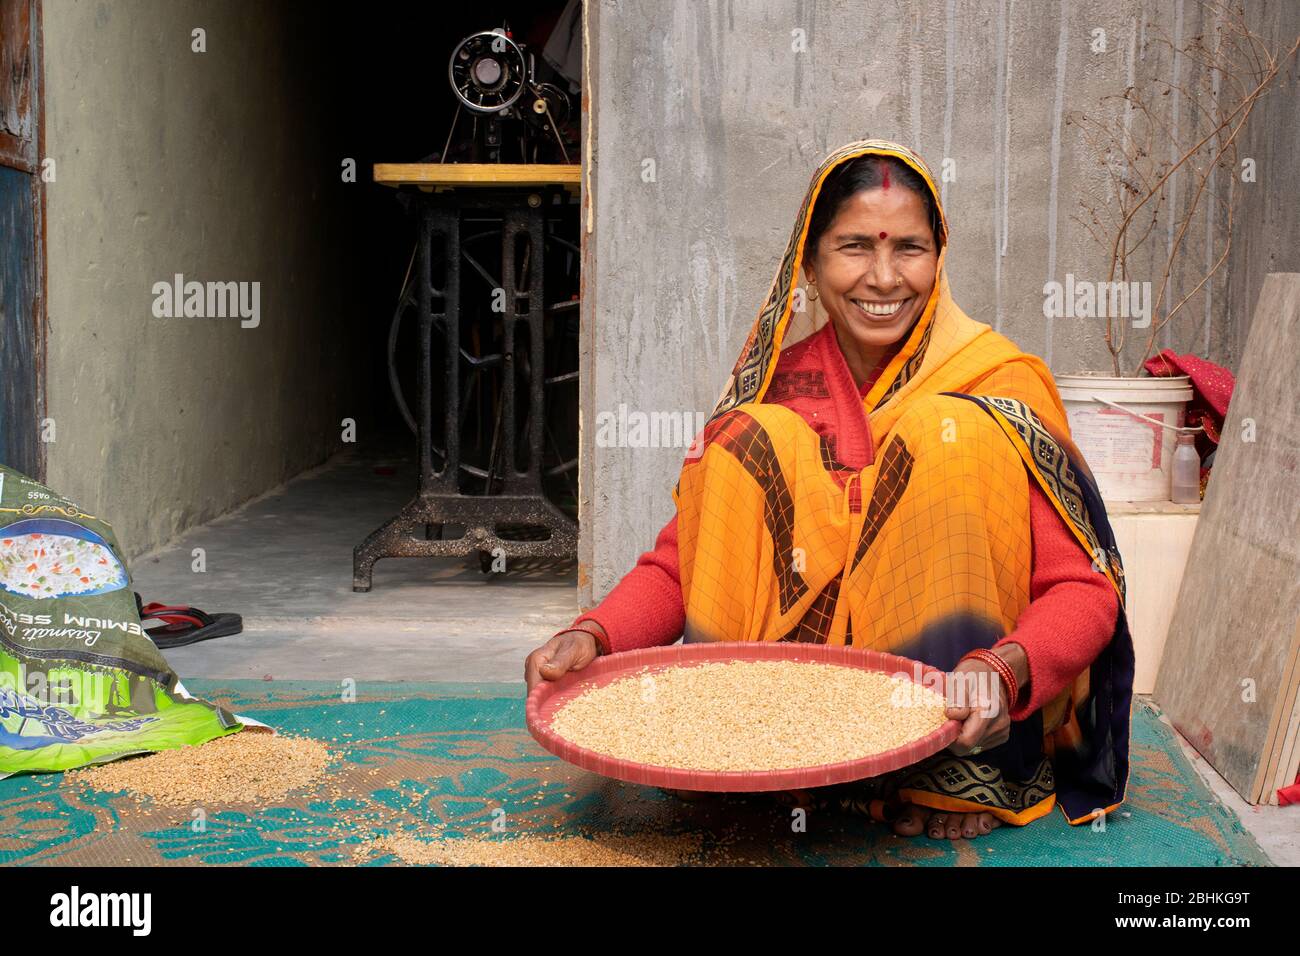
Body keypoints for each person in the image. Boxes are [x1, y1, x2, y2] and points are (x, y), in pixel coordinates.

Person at [525, 140, 1134, 841]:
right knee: (747, 436)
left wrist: (1004, 669)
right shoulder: (776, 388)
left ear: (939, 258)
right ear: (809, 266)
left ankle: (943, 778)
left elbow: (1083, 590)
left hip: (955, 722)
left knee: (951, 432)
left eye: (910, 248)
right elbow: (680, 566)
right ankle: (749, 758)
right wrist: (594, 635)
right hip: (790, 733)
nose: (884, 277)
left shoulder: (997, 383)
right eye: (854, 247)